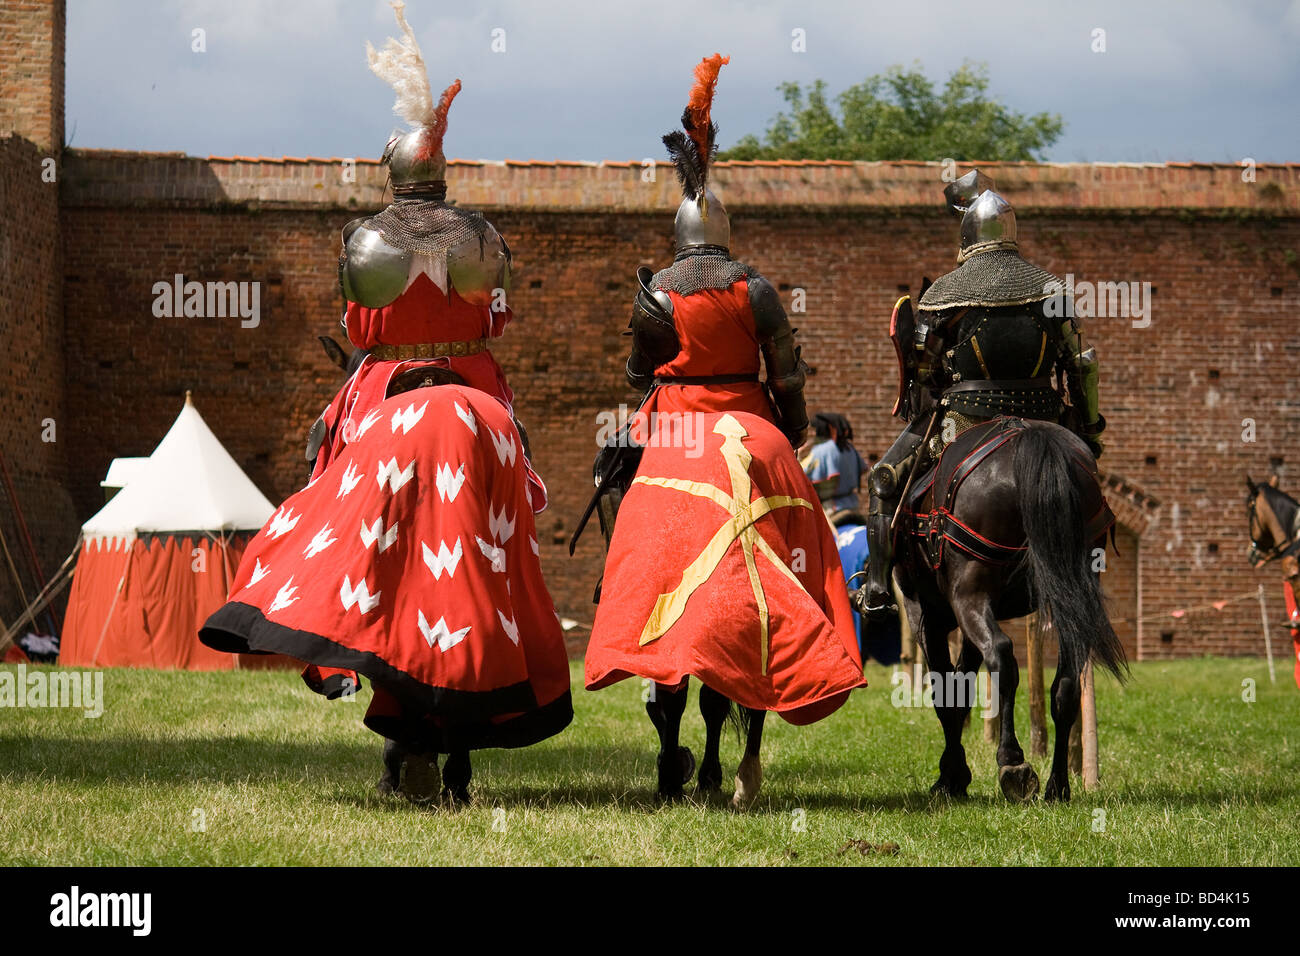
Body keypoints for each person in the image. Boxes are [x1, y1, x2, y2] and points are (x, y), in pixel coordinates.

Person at [200, 1, 571, 802]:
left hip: (387, 393)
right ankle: (466, 724)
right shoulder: (480, 237)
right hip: (477, 396)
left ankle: (341, 637)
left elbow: (358, 325)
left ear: (393, 175)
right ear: (441, 175)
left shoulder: (367, 241)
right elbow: (498, 317)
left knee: (326, 472)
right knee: (496, 539)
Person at [584, 54, 864, 726]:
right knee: (802, 518)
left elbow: (635, 374)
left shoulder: (657, 292)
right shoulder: (756, 288)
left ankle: (627, 601)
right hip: (749, 423)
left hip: (676, 426)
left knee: (615, 480)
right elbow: (788, 375)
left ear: (678, 238)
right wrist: (790, 433)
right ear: (727, 233)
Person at [857, 169, 1106, 619]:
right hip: (1046, 415)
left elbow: (925, 369)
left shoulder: (947, 293)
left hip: (966, 419)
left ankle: (876, 587)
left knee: (883, 480)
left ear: (968, 235)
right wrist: (1088, 428)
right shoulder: (1050, 287)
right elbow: (1080, 362)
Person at [804, 412, 868, 514]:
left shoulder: (822, 449)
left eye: (815, 430)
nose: (813, 433)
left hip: (831, 508)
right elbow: (864, 469)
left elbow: (802, 474)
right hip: (853, 505)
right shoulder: (849, 447)